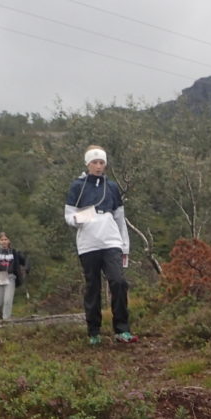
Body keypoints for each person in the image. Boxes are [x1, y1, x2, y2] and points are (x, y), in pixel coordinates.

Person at [64, 146, 138, 344]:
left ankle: (122, 329)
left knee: (118, 282)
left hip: (111, 241)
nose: (98, 166)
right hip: (88, 244)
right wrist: (79, 219)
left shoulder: (112, 187)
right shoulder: (77, 186)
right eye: (95, 162)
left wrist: (125, 247)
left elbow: (120, 219)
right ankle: (94, 332)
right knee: (93, 287)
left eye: (101, 163)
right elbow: (68, 216)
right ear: (87, 164)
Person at [0, 232, 29, 321]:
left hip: (10, 277)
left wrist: (27, 268)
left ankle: (6, 320)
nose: (4, 241)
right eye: (2, 240)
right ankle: (1, 316)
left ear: (9, 241)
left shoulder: (14, 252)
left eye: (6, 239)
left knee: (8, 300)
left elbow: (26, 260)